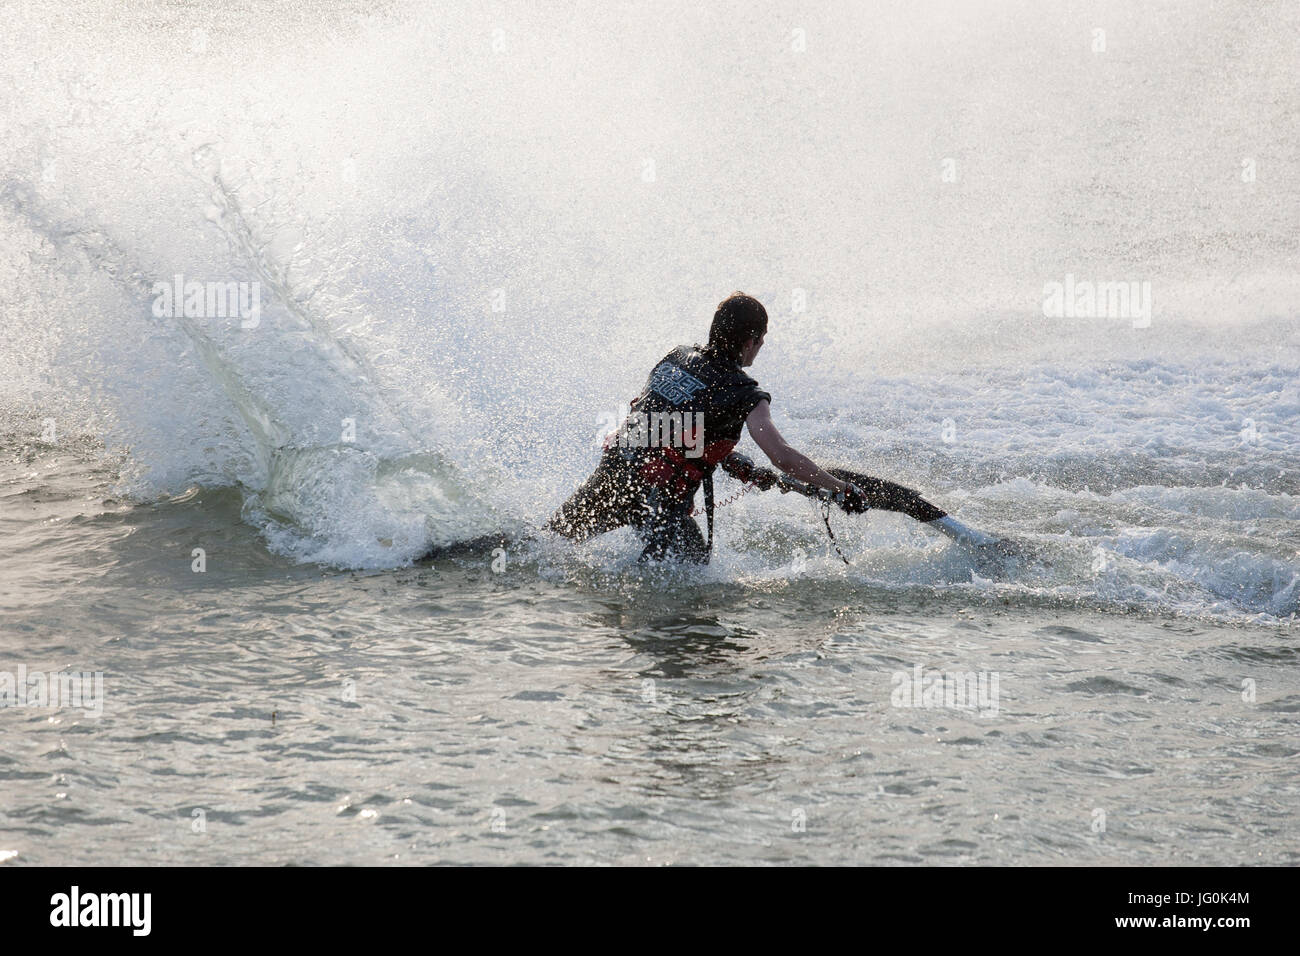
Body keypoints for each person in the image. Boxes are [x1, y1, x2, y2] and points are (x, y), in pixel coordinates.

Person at [546, 292, 870, 563]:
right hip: (657, 499)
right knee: (692, 588)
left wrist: (728, 459)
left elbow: (652, 418)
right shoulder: (745, 393)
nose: (760, 347)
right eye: (761, 340)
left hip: (617, 473)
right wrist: (842, 488)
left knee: (543, 545)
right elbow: (782, 456)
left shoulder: (676, 358)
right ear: (750, 341)